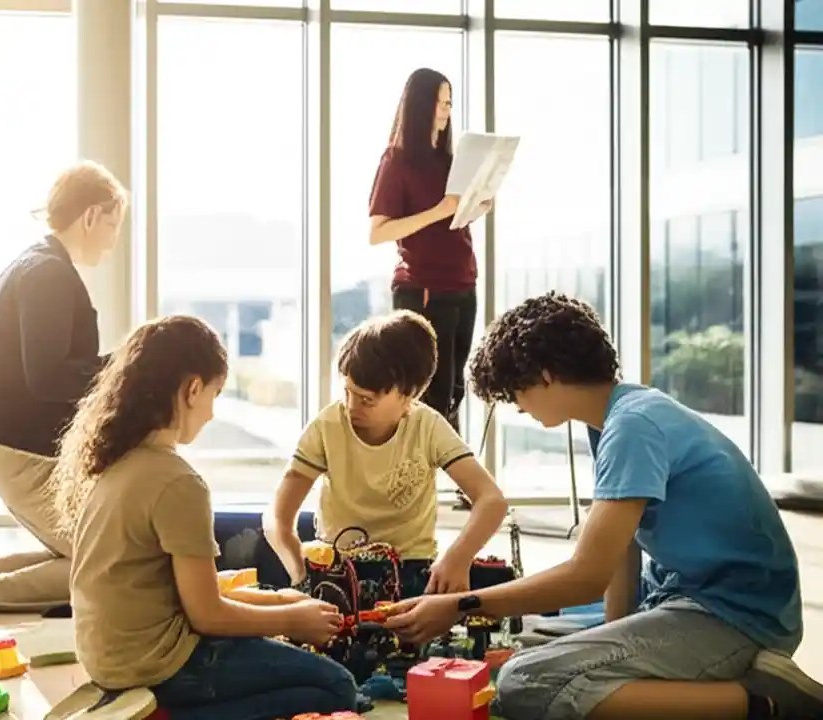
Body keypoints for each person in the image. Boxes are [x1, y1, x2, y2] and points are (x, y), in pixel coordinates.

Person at [383, 292, 823, 720]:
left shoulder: (632, 427)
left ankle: (766, 701)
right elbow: (620, 552)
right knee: (528, 632)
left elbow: (586, 576)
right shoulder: (618, 415)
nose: (518, 407)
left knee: (523, 682)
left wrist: (461, 604)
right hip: (682, 593)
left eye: (516, 393)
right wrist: (614, 634)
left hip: (735, 615)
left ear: (546, 376)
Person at [53, 314, 358, 720]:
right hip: (162, 666)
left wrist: (278, 600)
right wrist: (289, 620)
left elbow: (177, 591)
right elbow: (206, 614)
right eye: (214, 395)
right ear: (193, 389)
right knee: (337, 686)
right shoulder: (179, 482)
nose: (212, 413)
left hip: (108, 661)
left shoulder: (114, 464)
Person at [0, 160, 126, 613]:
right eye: (112, 224)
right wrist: (123, 372)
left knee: (83, 546)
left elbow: (51, 367)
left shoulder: (38, 264)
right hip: (16, 447)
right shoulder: (49, 275)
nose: (114, 241)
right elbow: (48, 376)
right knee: (111, 562)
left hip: (6, 439)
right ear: (91, 217)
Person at [262, 310, 508, 596]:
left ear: (409, 394)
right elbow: (277, 517)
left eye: (367, 400)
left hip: (412, 572)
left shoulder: (428, 427)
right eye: (348, 392)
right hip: (339, 569)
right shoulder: (326, 428)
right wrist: (300, 573)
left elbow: (492, 500)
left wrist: (457, 558)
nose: (352, 407)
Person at [368, 67, 492, 436]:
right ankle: (418, 485)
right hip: (423, 289)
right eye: (439, 103)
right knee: (427, 398)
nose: (446, 111)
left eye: (449, 103)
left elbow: (452, 222)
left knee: (453, 394)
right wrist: (439, 210)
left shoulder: (451, 161)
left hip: (463, 285)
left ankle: (442, 481)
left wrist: (474, 206)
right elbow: (379, 232)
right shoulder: (396, 161)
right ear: (420, 106)